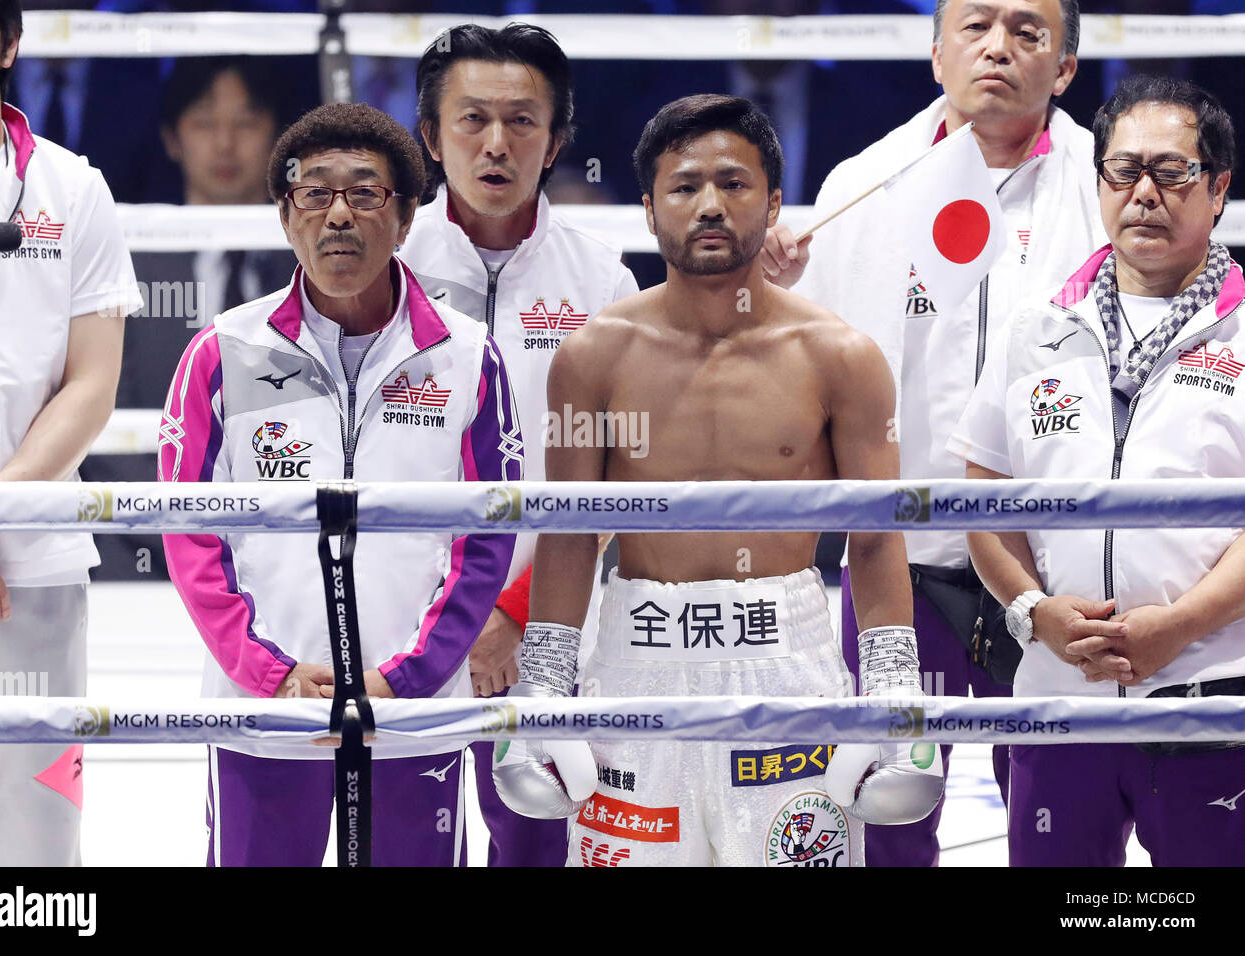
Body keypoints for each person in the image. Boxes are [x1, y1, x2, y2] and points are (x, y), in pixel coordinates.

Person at [493, 94, 944, 867]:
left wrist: (895, 692)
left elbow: (876, 537)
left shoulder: (841, 356)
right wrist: (541, 689)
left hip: (789, 658)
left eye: (734, 184)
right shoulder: (591, 358)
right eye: (684, 185)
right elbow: (570, 531)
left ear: (773, 203)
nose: (709, 204)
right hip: (638, 662)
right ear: (647, 208)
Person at [760, 0, 1106, 866]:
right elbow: (800, 389)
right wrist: (765, 294)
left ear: (1063, 69)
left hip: (1058, 566)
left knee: (1062, 827)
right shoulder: (858, 188)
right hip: (897, 570)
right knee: (884, 822)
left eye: (1028, 31)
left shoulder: (1106, 188)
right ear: (935, 53)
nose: (998, 46)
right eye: (976, 25)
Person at [158, 102, 522, 866]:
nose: (339, 216)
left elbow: (486, 533)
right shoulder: (222, 352)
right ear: (285, 215)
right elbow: (189, 531)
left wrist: (410, 677)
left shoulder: (468, 358)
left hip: (411, 712)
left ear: (409, 213)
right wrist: (270, 673)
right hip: (265, 711)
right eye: (314, 194)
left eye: (365, 193)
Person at [953, 75, 1245, 866]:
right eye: (1124, 172)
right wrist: (1032, 610)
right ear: (1100, 183)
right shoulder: (1036, 326)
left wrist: (1179, 628)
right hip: (1057, 696)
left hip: (1213, 701)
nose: (1145, 193)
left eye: (1173, 172)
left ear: (1218, 188)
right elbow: (982, 493)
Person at [399, 22, 638, 867]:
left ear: (558, 140)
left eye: (523, 121)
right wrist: (449, 625)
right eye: (471, 120)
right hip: (398, 625)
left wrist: (510, 613)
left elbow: (617, 478)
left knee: (539, 848)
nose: (496, 144)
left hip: (550, 626)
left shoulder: (603, 282)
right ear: (430, 136)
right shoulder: (378, 265)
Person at [0, 0, 140, 865]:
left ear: (11, 42)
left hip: (32, 557)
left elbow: (93, 386)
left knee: (39, 841)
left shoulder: (72, 186)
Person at [84, 56, 299, 581]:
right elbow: (99, 417)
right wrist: (188, 541)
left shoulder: (313, 269)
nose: (225, 144)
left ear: (277, 139)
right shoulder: (125, 263)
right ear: (172, 137)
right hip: (140, 559)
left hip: (287, 559)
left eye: (246, 123)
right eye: (204, 122)